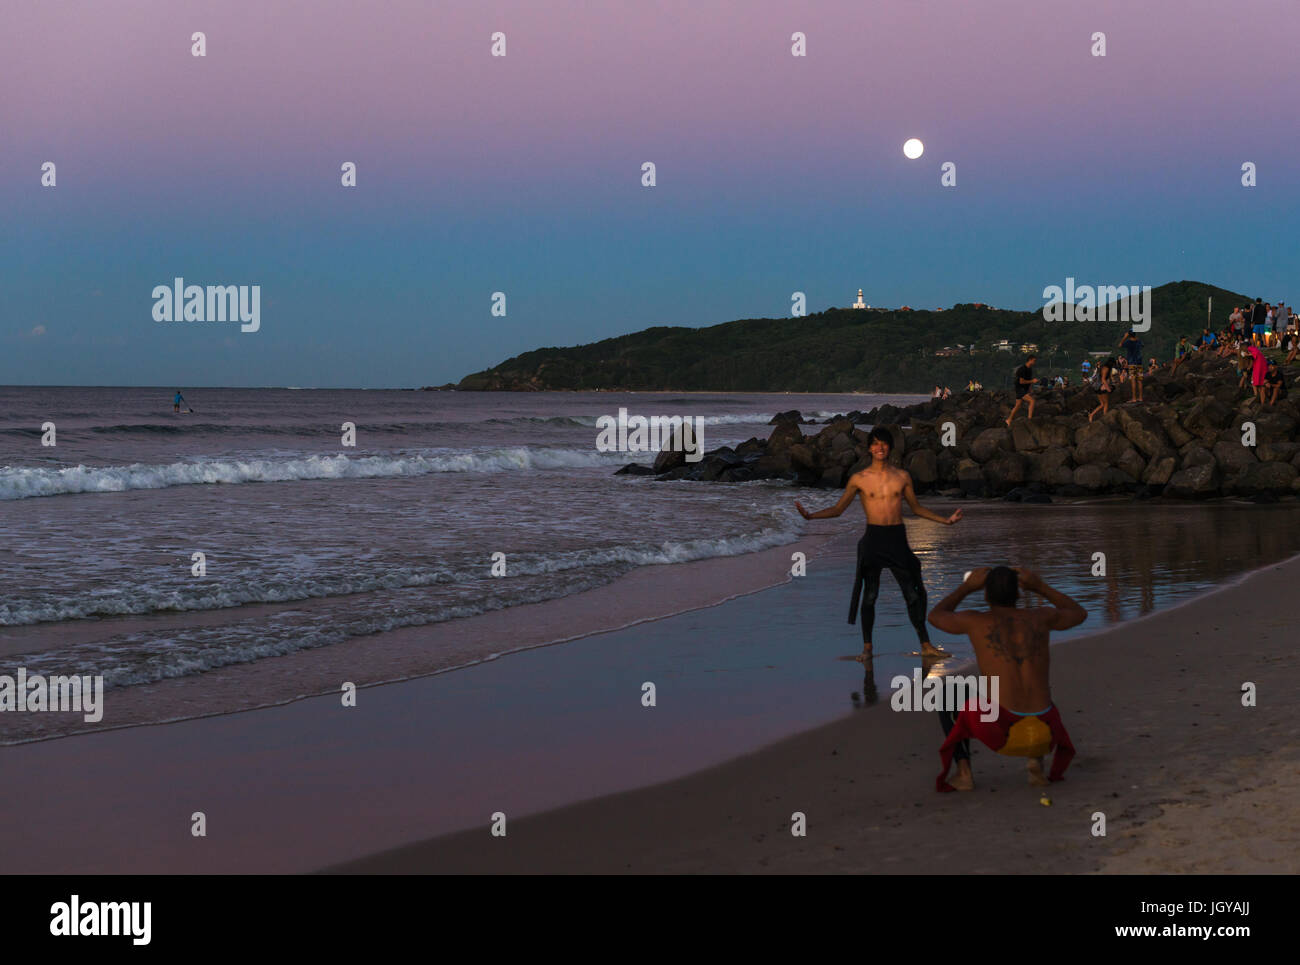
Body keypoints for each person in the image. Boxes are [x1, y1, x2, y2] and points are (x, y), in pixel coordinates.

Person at [795, 427, 963, 661]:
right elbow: (838, 509)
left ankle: (926, 644)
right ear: (869, 448)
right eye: (874, 443)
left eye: (883, 443)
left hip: (897, 539)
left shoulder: (902, 477)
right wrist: (811, 516)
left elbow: (916, 508)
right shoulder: (859, 479)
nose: (879, 447)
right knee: (870, 596)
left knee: (913, 595)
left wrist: (945, 521)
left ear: (890, 447)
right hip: (873, 540)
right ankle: (867, 649)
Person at [927, 566, 1087, 791]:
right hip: (1044, 732)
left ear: (985, 594)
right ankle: (1036, 762)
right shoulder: (1041, 618)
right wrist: (1040, 587)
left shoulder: (976, 621)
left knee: (947, 693)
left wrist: (966, 588)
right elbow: (1079, 613)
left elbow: (935, 616)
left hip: (1002, 734)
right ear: (1019, 593)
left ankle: (964, 773)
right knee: (1036, 694)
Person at [1005, 354, 1039, 425]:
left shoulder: (1030, 369)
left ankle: (1009, 420)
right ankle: (1029, 419)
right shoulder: (1022, 369)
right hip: (1019, 388)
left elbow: (1028, 380)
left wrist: (1030, 389)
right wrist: (1032, 381)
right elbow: (1021, 381)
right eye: (1034, 361)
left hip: (1023, 389)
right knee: (1032, 401)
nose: (1035, 362)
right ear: (1030, 360)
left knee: (1018, 405)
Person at [1088, 356, 1116, 422]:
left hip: (1097, 387)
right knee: (1106, 403)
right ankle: (1105, 417)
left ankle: (1091, 415)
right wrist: (1108, 388)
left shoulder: (1102, 367)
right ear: (1111, 363)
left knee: (1102, 404)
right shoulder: (1106, 368)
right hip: (1101, 387)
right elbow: (1103, 379)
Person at [1118, 330, 1144, 402]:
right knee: (1139, 381)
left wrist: (1124, 337)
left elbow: (1120, 345)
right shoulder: (1139, 341)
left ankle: (1134, 398)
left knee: (1133, 380)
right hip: (1139, 363)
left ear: (1129, 335)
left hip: (1132, 363)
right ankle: (1141, 398)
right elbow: (1142, 345)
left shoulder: (1128, 342)